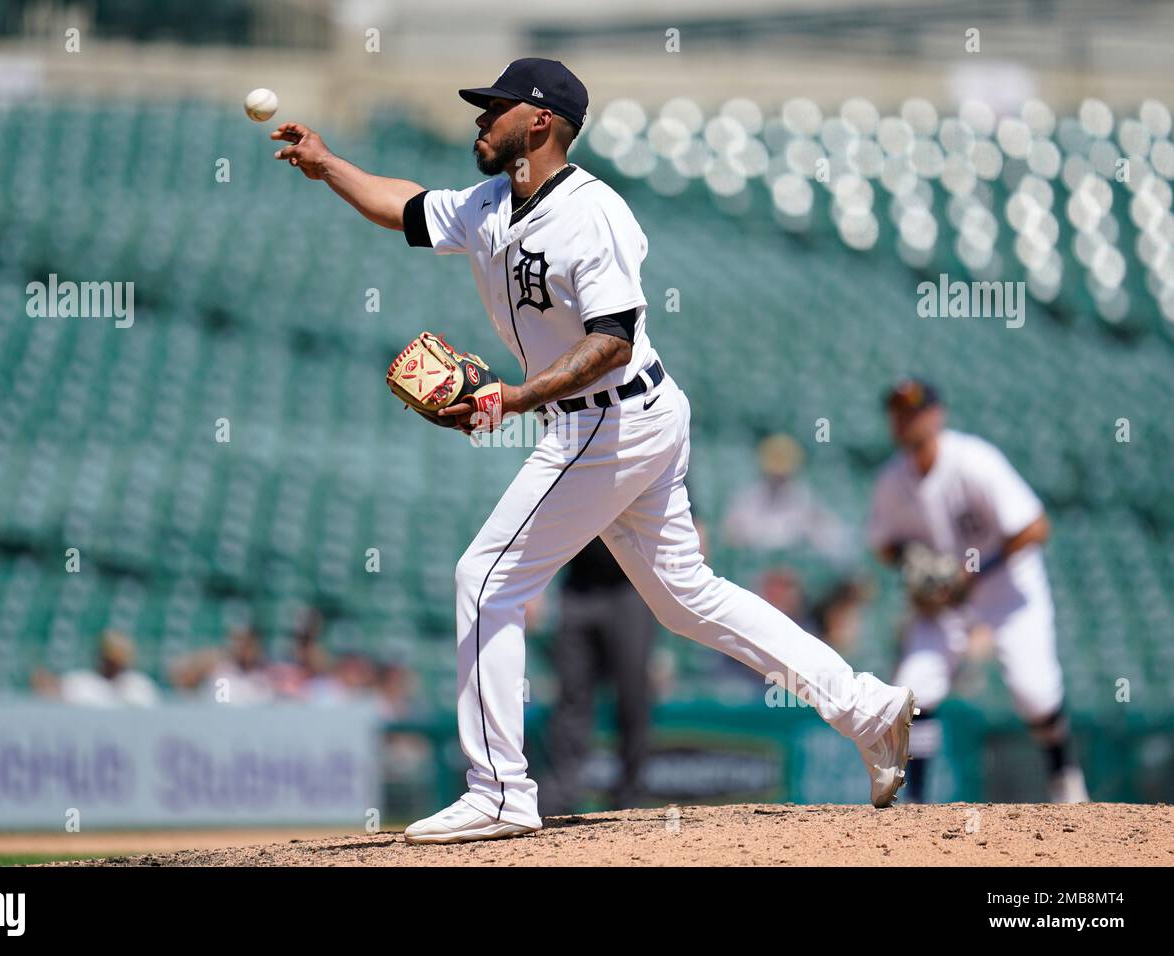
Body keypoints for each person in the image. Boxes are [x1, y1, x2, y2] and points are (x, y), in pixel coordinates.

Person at [271, 57, 916, 844]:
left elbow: (612, 338)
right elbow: (406, 207)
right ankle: (867, 709)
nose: (480, 118)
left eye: (495, 108)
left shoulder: (591, 212)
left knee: (485, 578)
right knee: (687, 599)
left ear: (539, 122)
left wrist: (513, 397)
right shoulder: (489, 202)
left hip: (609, 417)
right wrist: (329, 163)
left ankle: (501, 789)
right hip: (615, 418)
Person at [867, 378, 1088, 804]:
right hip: (946, 603)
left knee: (1034, 692)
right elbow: (883, 544)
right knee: (914, 688)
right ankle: (914, 803)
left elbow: (1036, 526)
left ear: (937, 415)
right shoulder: (891, 480)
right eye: (898, 412)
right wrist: (913, 561)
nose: (905, 419)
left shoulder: (974, 461)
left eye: (914, 410)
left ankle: (1065, 774)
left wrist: (974, 573)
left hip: (1007, 591)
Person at [545, 538, 657, 816]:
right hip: (578, 588)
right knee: (571, 697)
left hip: (630, 587)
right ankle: (563, 795)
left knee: (633, 696)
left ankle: (631, 795)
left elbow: (693, 523)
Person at [722, 434, 849, 559]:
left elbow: (831, 539)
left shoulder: (806, 499)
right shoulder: (747, 498)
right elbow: (732, 536)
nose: (777, 475)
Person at [32, 630, 161, 707]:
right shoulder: (81, 682)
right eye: (108, 659)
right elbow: (50, 692)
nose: (112, 664)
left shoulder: (139, 685)